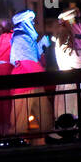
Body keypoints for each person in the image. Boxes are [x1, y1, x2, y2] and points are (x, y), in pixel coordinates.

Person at [9, 8, 50, 137]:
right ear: (23, 22)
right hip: (25, 81)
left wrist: (42, 45)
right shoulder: (21, 37)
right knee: (21, 116)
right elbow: (28, 61)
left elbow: (31, 56)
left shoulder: (25, 37)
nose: (33, 24)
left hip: (32, 80)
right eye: (30, 21)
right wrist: (42, 75)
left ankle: (48, 135)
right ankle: (15, 141)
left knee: (44, 113)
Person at [52, 7, 81, 130]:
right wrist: (79, 52)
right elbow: (66, 50)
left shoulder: (72, 31)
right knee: (70, 105)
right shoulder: (65, 32)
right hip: (69, 74)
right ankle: (69, 129)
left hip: (75, 74)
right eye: (74, 19)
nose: (77, 22)